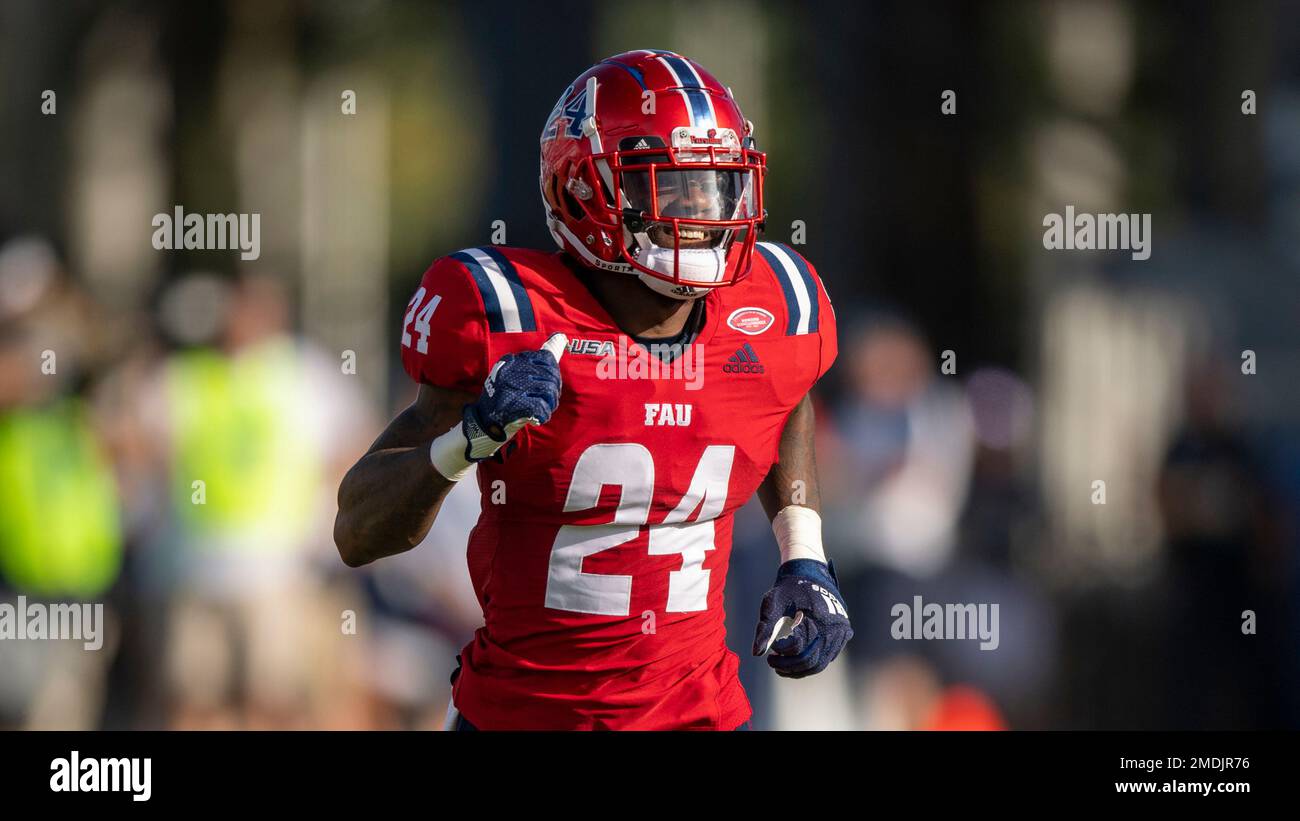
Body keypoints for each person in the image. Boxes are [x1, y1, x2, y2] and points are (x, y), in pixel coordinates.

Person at [334, 50, 851, 730]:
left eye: (716, 186)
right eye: (674, 188)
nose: (702, 214)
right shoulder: (511, 318)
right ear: (584, 189)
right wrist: (469, 439)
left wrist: (804, 551)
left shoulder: (774, 308)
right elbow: (357, 531)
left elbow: (781, 397)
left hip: (697, 715)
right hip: (522, 715)